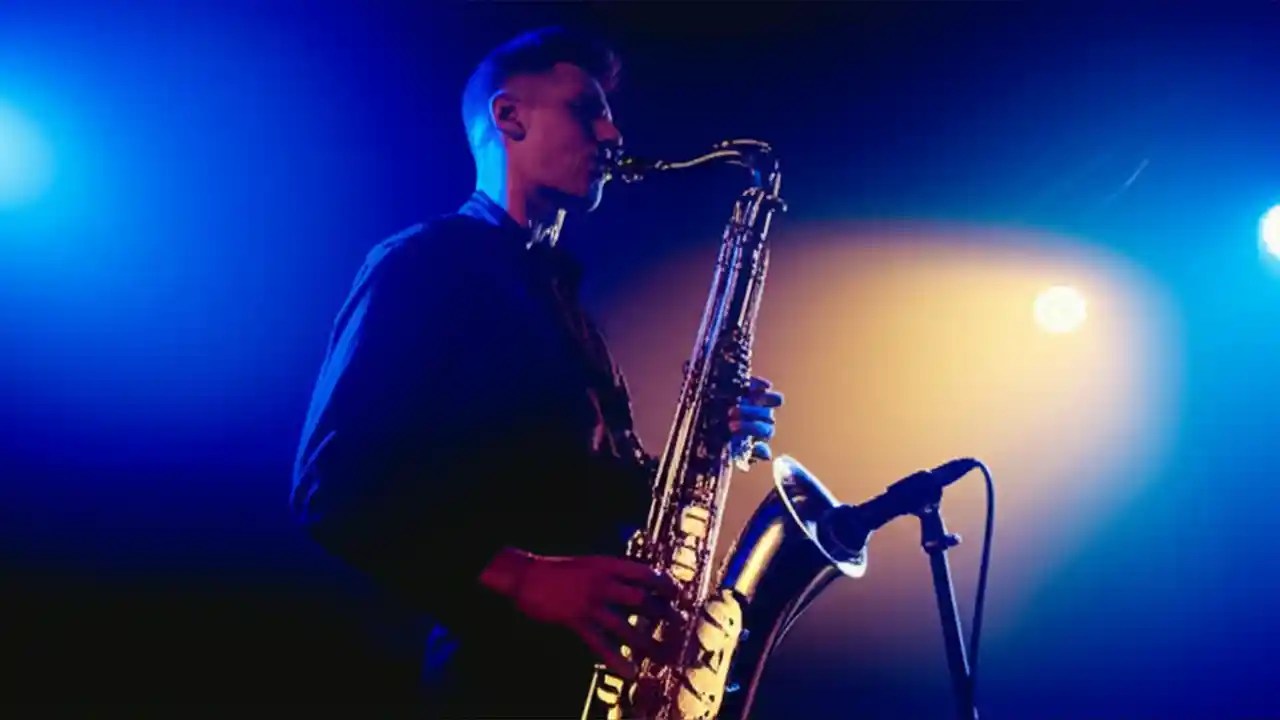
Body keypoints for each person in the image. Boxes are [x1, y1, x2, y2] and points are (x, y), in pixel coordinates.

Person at [290, 26, 783, 717]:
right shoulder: (426, 262)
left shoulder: (563, 306)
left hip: (587, 683)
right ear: (509, 117)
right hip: (493, 684)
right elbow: (330, 490)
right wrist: (520, 577)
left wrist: (710, 442)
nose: (613, 133)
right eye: (587, 109)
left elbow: (584, 499)